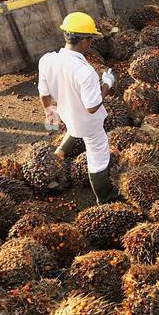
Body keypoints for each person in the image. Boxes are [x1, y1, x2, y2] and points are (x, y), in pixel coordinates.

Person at [39, 12, 118, 204]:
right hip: (88, 123)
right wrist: (107, 84)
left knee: (73, 127)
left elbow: (44, 93)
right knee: (97, 157)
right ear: (83, 41)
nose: (91, 43)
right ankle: (104, 197)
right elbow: (92, 107)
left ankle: (61, 151)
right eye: (90, 39)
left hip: (66, 112)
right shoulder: (85, 72)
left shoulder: (47, 60)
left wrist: (51, 116)